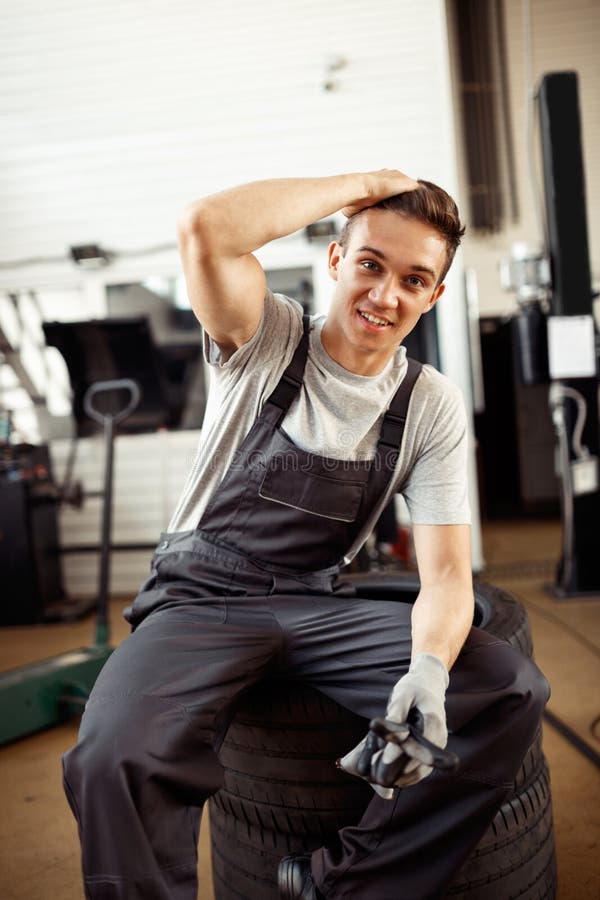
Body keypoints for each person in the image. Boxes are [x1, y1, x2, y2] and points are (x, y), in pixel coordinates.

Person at [63, 170, 549, 900]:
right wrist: (367, 184)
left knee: (505, 687)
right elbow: (206, 226)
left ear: (435, 296)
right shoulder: (268, 338)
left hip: (317, 605)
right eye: (370, 264)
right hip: (199, 602)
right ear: (335, 260)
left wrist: (429, 671)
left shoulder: (430, 404)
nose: (386, 295)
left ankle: (347, 886)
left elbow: (448, 576)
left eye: (414, 279)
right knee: (112, 755)